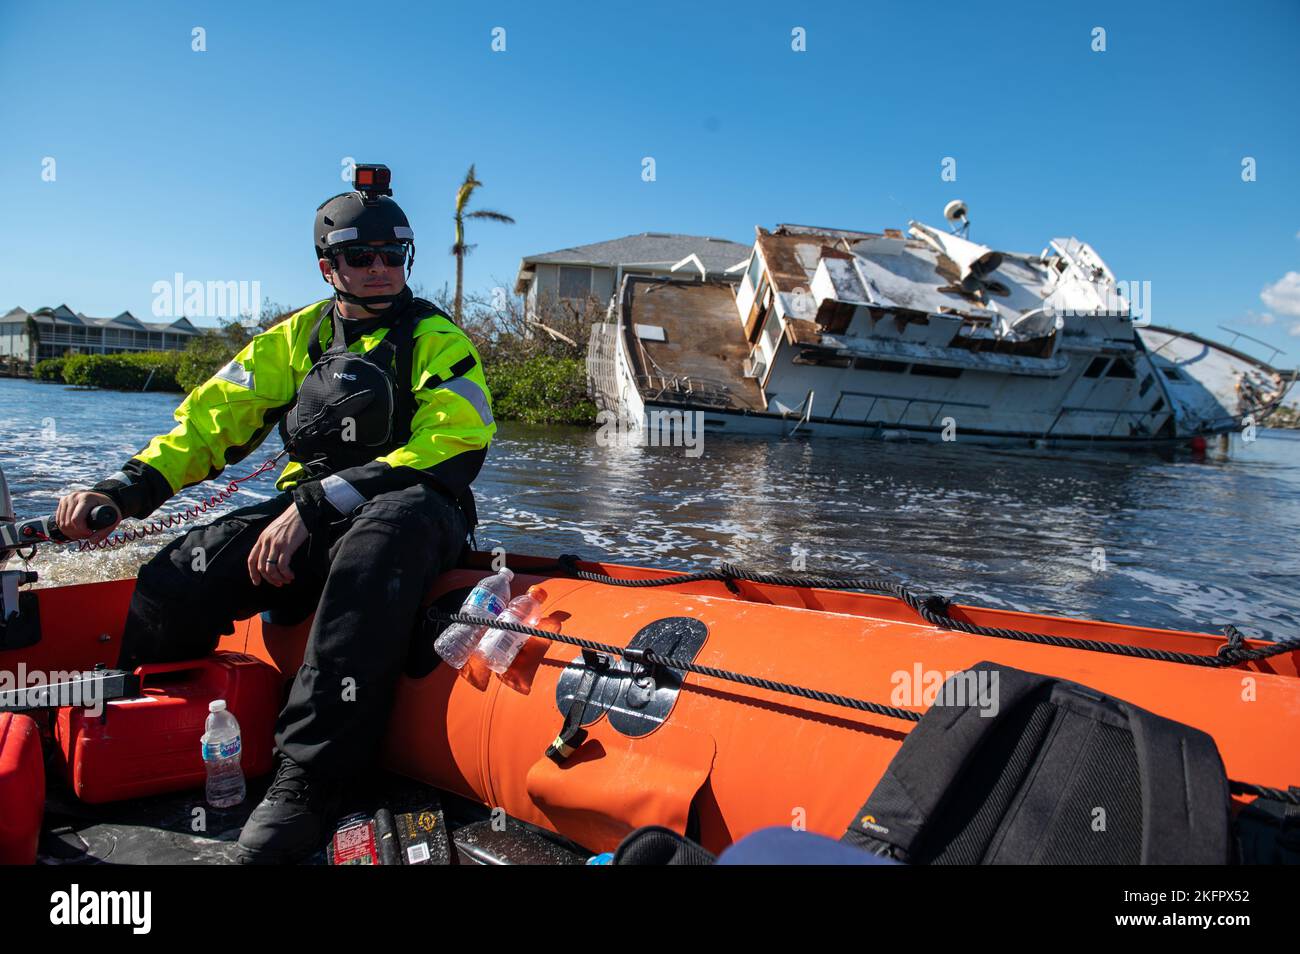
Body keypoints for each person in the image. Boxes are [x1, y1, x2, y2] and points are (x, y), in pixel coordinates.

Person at [54, 165, 495, 864]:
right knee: (175, 573)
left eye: (393, 256)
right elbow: (212, 421)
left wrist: (320, 504)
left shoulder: (437, 341)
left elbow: (454, 442)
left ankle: (308, 785)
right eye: (360, 256)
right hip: (309, 509)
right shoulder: (295, 339)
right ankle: (153, 730)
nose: (379, 269)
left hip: (413, 508)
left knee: (376, 543)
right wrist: (126, 488)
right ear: (328, 266)